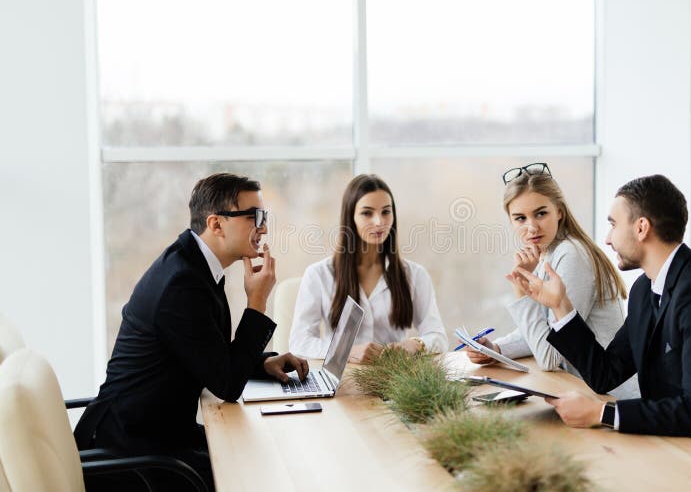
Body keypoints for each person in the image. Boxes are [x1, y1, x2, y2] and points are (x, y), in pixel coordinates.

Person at [511, 174, 691, 484]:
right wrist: (560, 305)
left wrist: (602, 414)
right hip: (688, 449)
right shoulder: (645, 291)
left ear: (641, 228)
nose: (607, 239)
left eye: (613, 224)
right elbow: (605, 373)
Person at [74, 173, 309, 491]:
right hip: (132, 454)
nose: (264, 227)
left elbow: (207, 354)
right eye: (254, 216)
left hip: (158, 436)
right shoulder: (181, 283)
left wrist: (261, 362)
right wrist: (257, 302)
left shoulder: (195, 265)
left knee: (262, 455)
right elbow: (227, 385)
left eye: (264, 216)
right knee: (257, 472)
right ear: (216, 224)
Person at [465, 162, 638, 399]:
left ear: (559, 211)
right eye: (520, 218)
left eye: (540, 213)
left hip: (609, 399)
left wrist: (521, 293)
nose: (531, 227)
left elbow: (549, 357)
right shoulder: (548, 252)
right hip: (579, 391)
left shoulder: (571, 255)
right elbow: (547, 332)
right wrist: (496, 349)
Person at [289, 174, 448, 363]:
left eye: (386, 212)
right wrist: (346, 351)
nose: (379, 222)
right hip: (342, 382)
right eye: (367, 213)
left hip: (394, 381)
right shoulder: (319, 274)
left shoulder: (414, 275)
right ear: (351, 217)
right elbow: (300, 342)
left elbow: (437, 336)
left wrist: (414, 344)